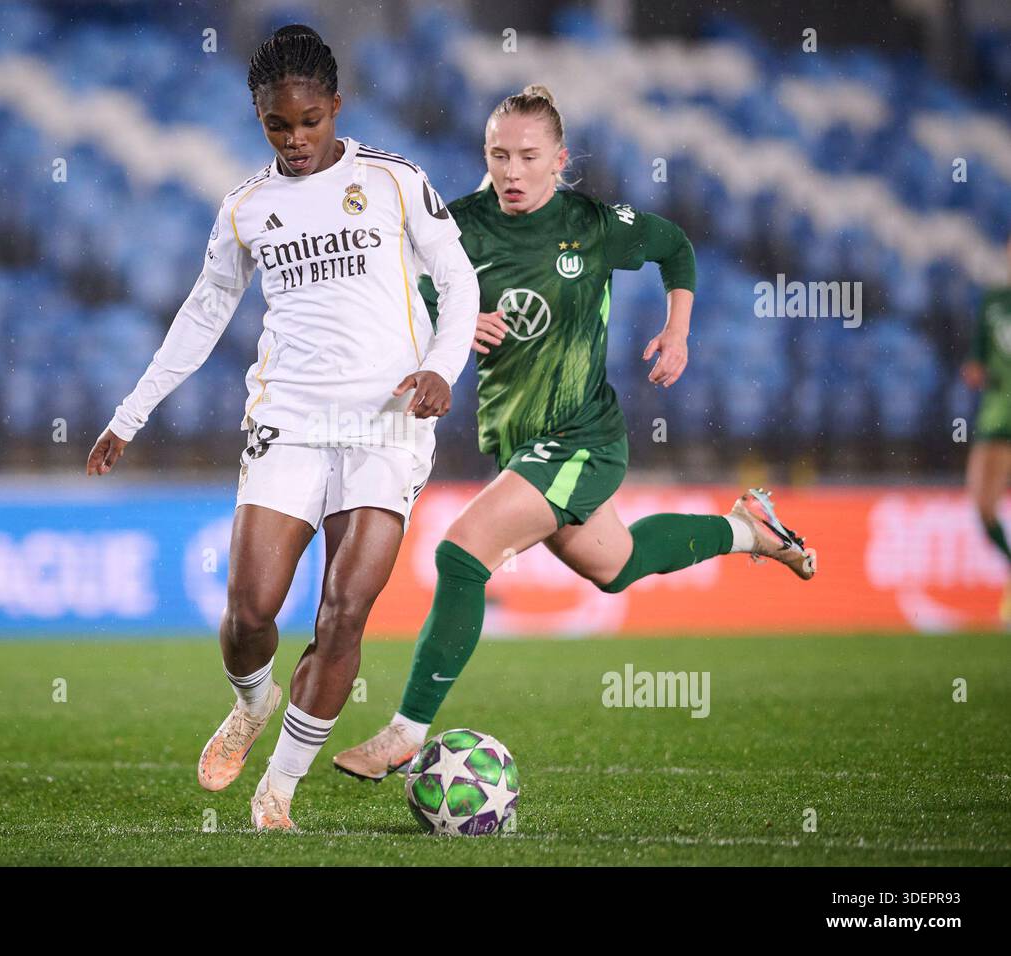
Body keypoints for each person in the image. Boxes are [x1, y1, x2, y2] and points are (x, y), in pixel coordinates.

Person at [333, 85, 816, 781]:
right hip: (516, 442)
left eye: (529, 156)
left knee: (462, 554)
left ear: (559, 160)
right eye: (499, 155)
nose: (512, 170)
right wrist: (456, 325)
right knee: (613, 565)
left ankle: (404, 733)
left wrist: (678, 330)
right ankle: (749, 529)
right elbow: (407, 293)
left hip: (580, 435)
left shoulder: (593, 225)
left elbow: (676, 247)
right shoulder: (458, 226)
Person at [85, 25, 478, 829]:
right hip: (290, 418)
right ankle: (252, 702)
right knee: (249, 612)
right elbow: (202, 316)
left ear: (336, 106)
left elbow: (459, 279)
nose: (295, 139)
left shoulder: (396, 180)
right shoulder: (247, 208)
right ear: (258, 116)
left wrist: (442, 367)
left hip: (388, 419)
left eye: (309, 120)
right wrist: (131, 414)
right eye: (277, 124)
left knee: (343, 612)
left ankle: (280, 792)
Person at [960, 237, 1011, 623]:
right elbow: (975, 368)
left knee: (984, 504)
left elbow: (978, 369)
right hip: (996, 419)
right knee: (982, 504)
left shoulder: (995, 303)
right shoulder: (993, 301)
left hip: (999, 418)